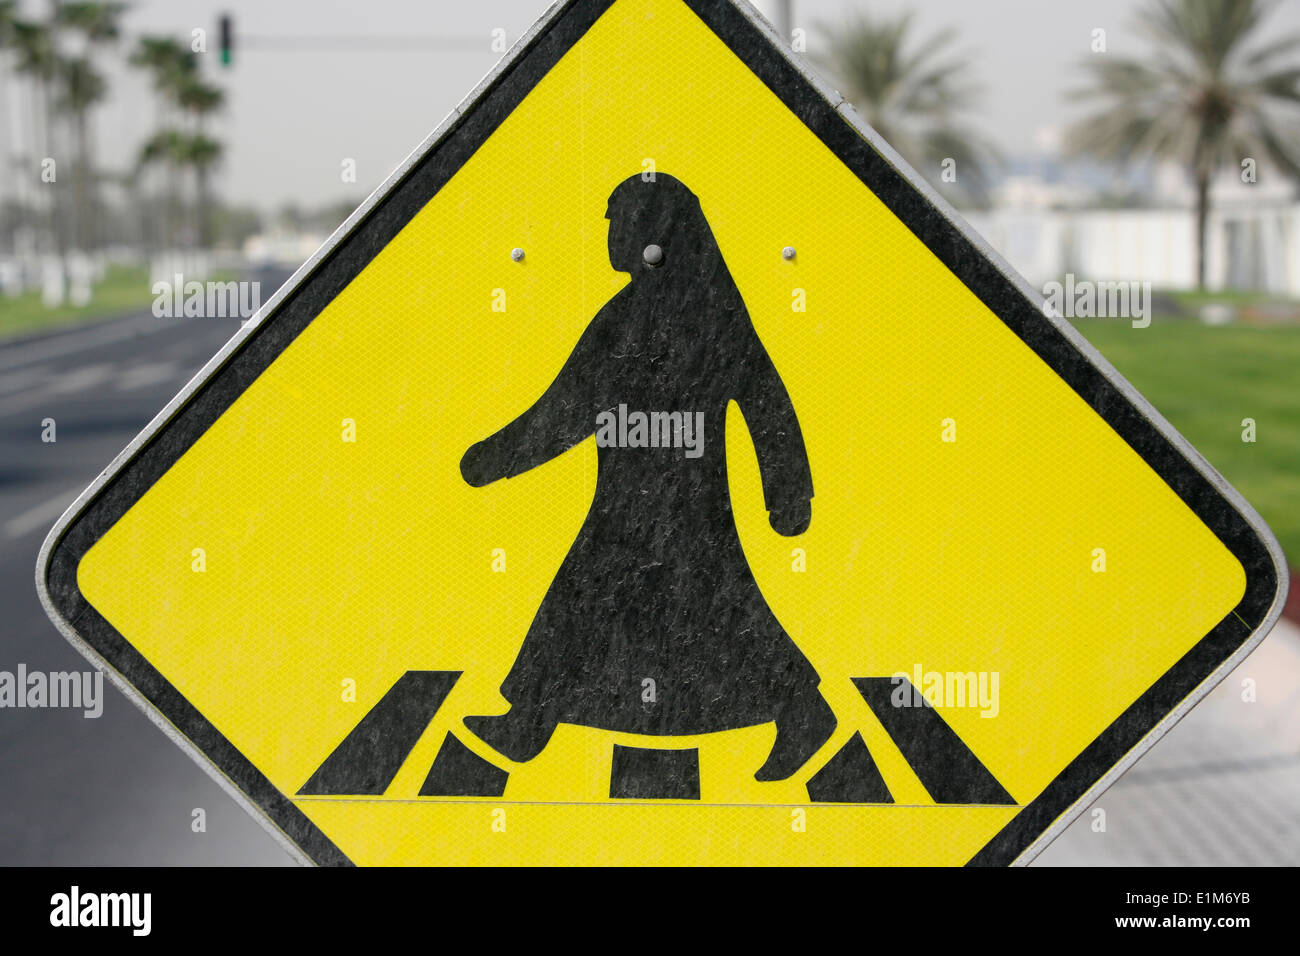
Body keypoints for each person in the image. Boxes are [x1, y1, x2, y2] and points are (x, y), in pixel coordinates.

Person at [460, 173, 835, 782]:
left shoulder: (707, 317)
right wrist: (496, 459)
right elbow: (567, 411)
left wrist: (789, 493)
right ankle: (529, 717)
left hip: (689, 511)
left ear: (652, 234)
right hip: (625, 507)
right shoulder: (631, 316)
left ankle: (802, 710)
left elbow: (765, 401)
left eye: (616, 223)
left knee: (712, 608)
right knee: (593, 603)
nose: (609, 236)